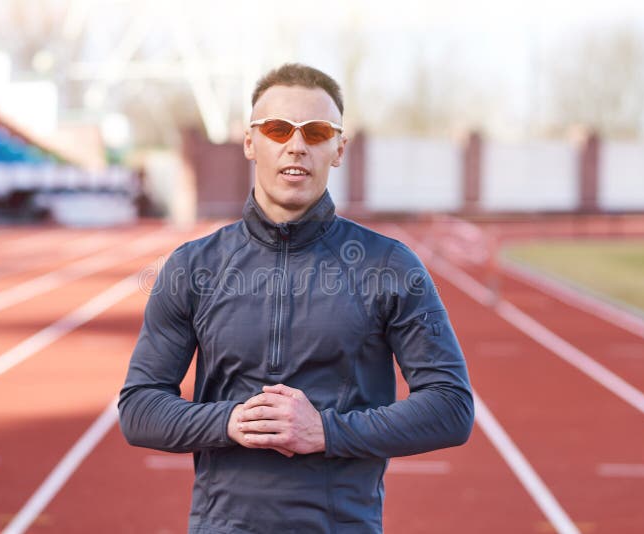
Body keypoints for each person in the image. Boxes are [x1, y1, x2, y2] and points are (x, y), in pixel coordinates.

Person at [118, 63, 474, 533]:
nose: (297, 145)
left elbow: (451, 407)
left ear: (338, 149)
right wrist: (231, 421)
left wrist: (325, 430)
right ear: (250, 142)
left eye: (317, 131)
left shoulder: (389, 266)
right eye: (278, 128)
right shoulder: (192, 267)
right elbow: (139, 408)